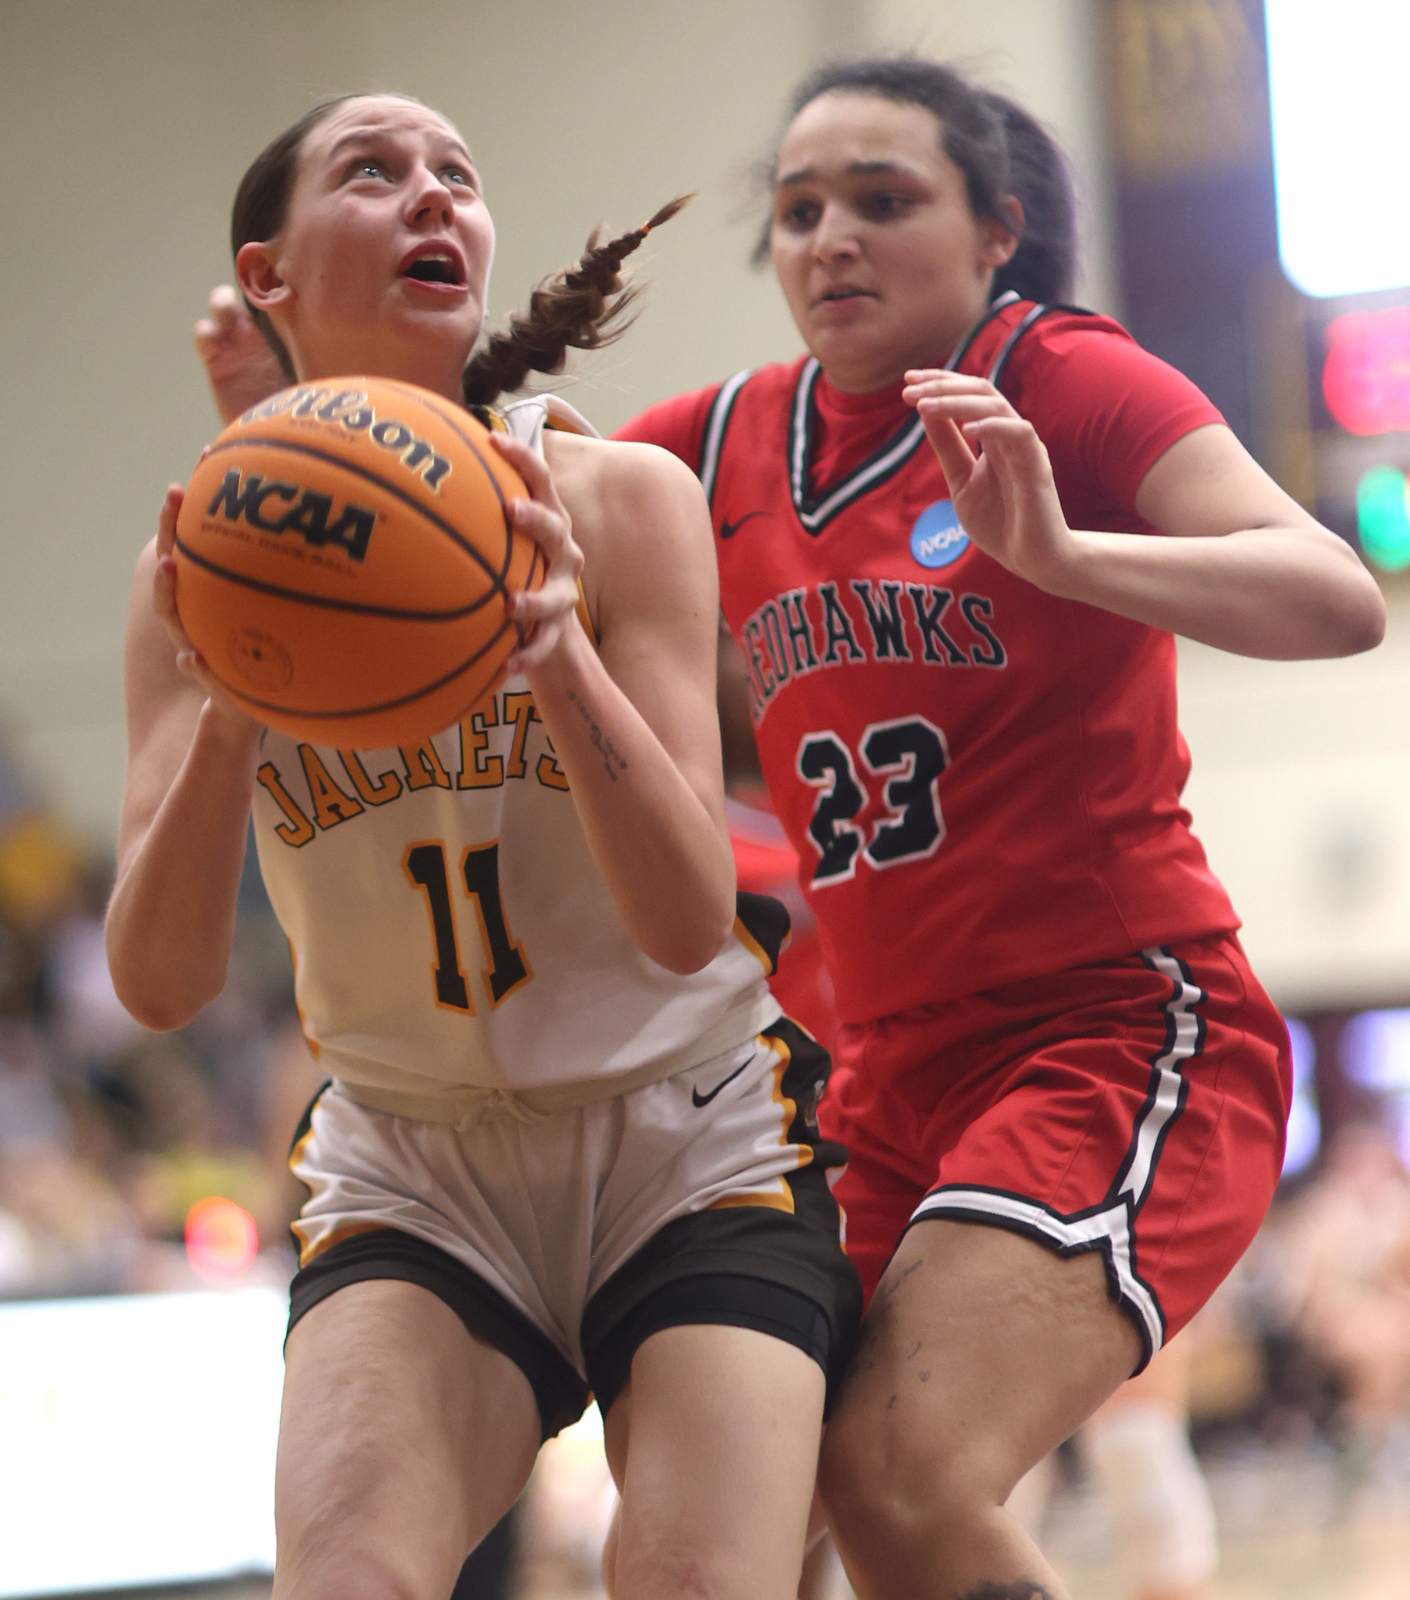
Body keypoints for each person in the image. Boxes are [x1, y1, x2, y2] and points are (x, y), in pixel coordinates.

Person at [189, 60, 1386, 1600]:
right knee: (759, 1518)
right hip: (878, 1072)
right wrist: (280, 432)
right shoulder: (722, 438)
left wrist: (1064, 551)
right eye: (800, 208)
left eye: (883, 202)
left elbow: (1335, 598)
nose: (830, 238)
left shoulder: (1060, 375)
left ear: (992, 233)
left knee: (892, 1473)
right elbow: (455, 512)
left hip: (1108, 1024)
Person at [108, 91, 860, 1600]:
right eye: (373, 173)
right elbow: (162, 982)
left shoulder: (616, 501)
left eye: (456, 173)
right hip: (413, 1156)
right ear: (267, 272)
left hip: (687, 1129)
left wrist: (556, 658)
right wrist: (236, 705)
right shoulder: (190, 577)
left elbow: (682, 915)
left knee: (691, 1582)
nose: (431, 197)